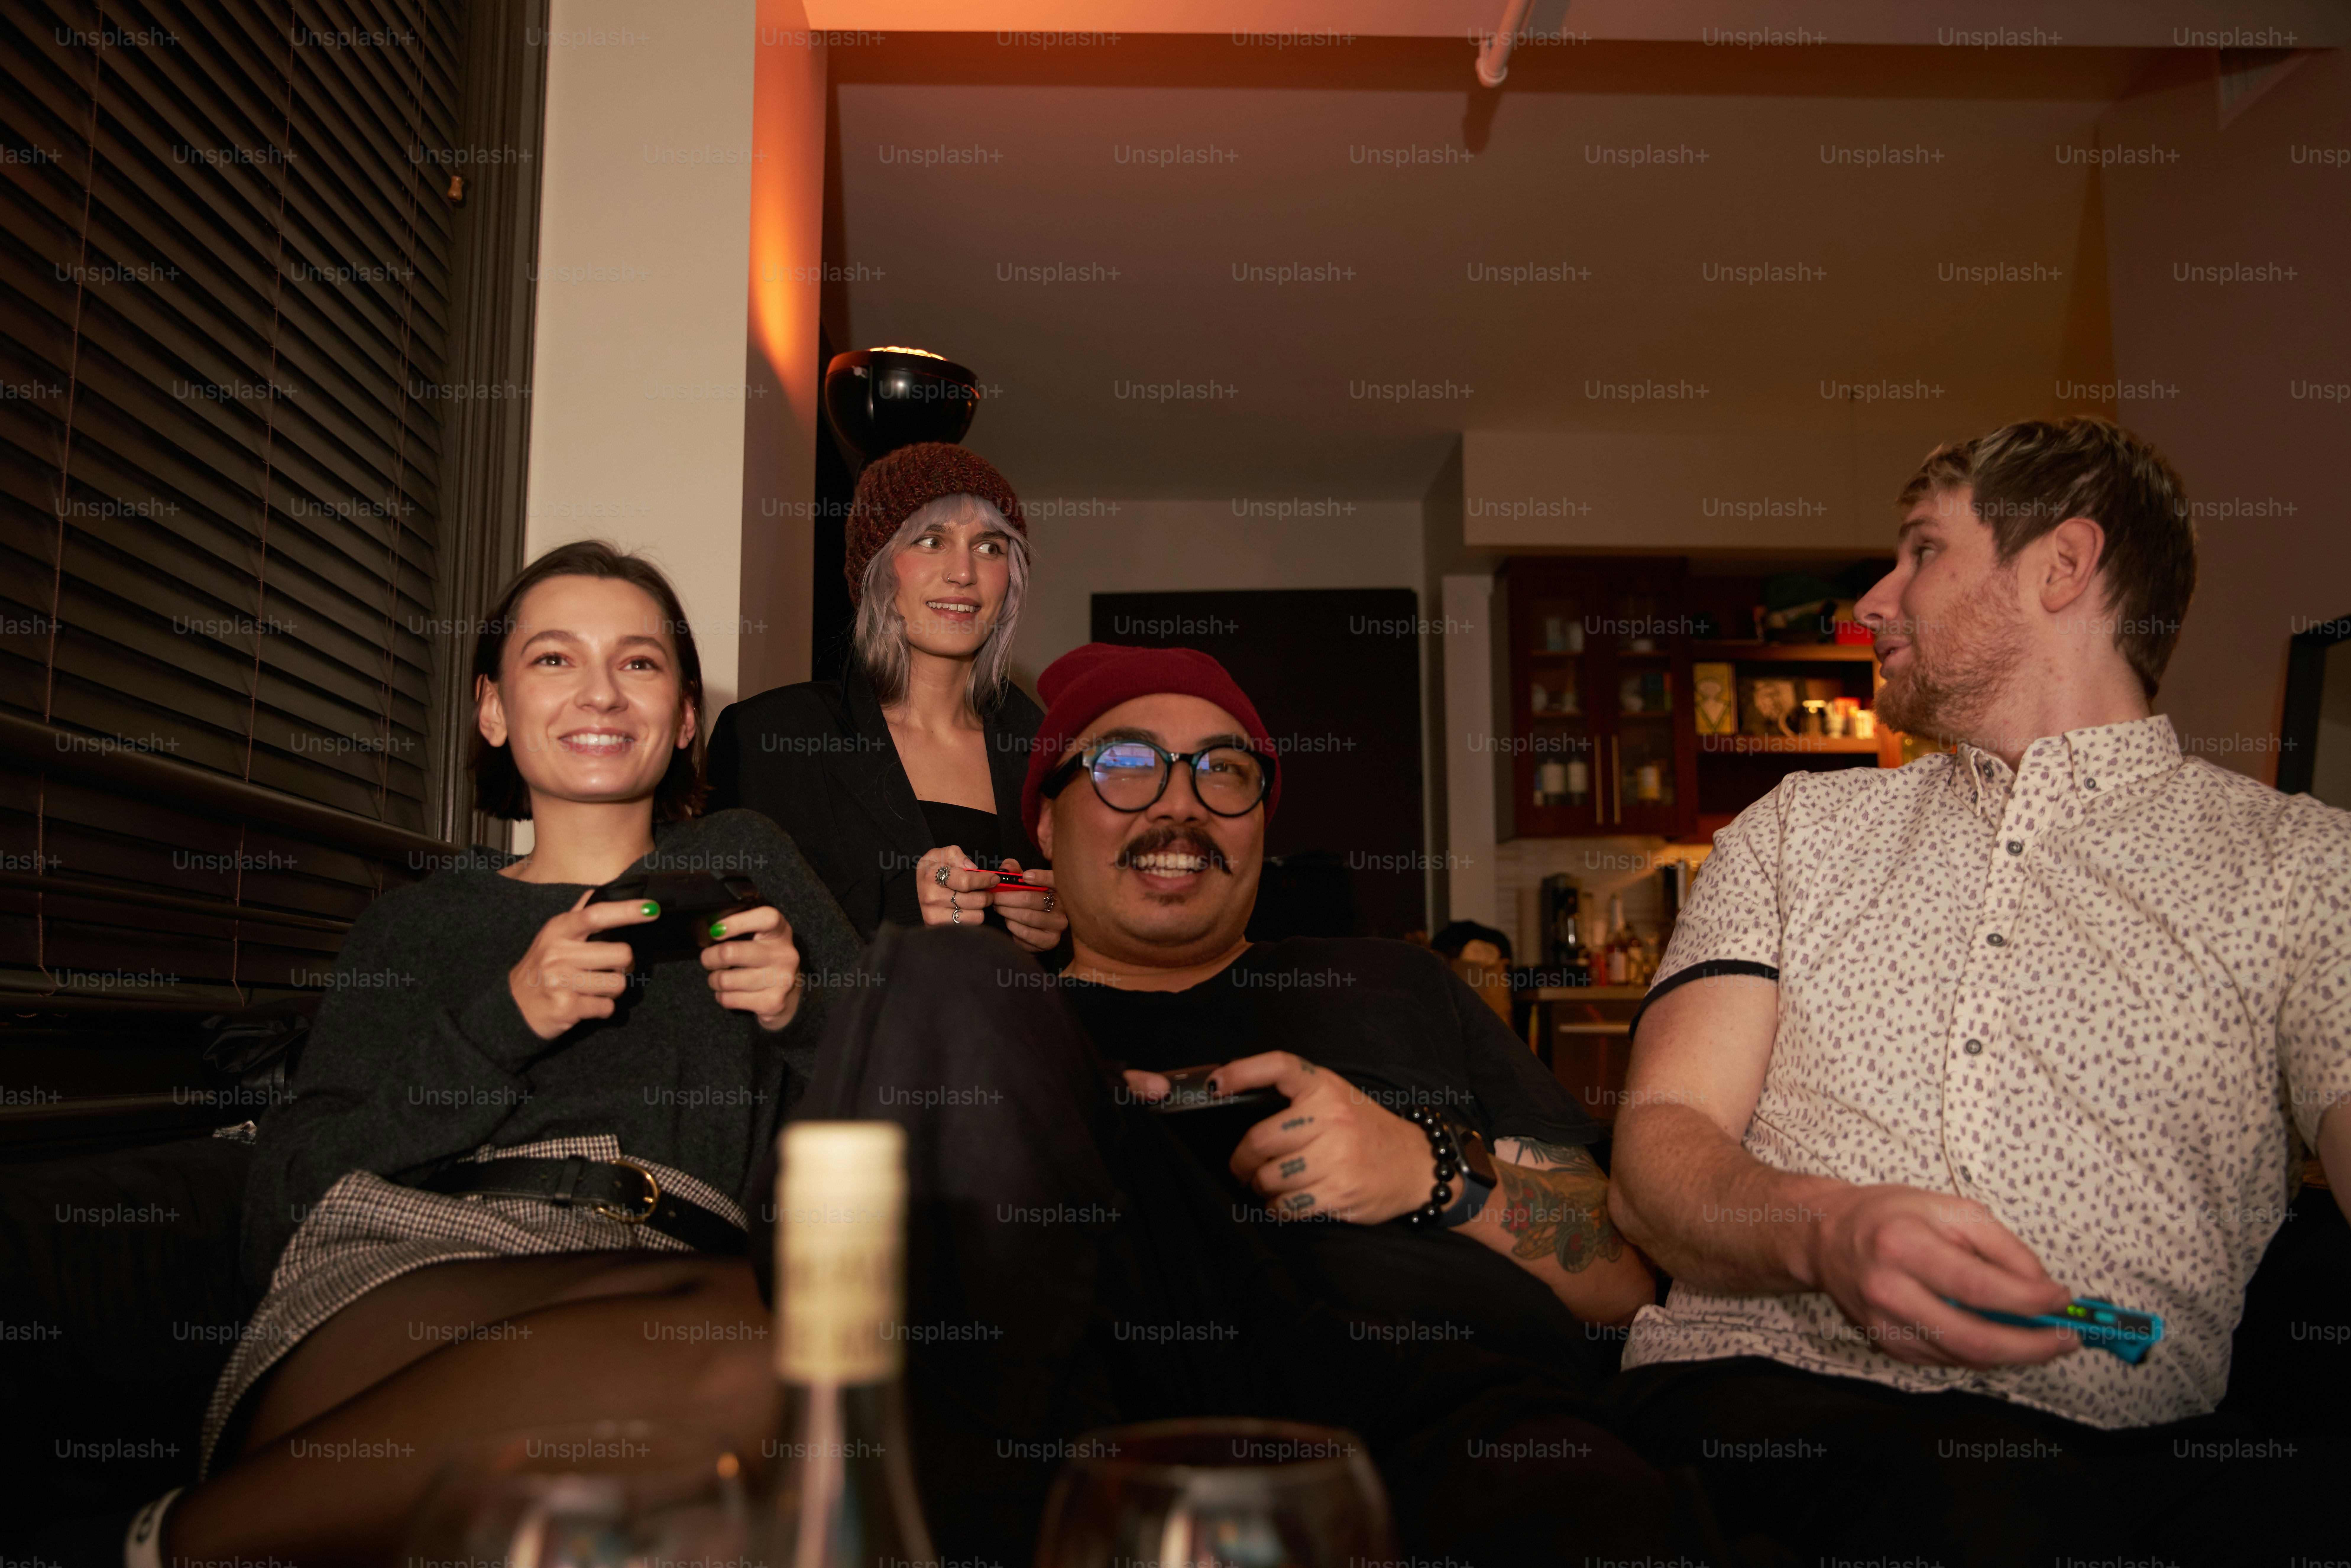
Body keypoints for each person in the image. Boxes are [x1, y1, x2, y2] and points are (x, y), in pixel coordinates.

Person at [749, 644, 1742, 1568]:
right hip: (1133, 1406)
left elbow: (1624, 1283)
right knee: (944, 978)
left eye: (1224, 772)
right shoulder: (1002, 1030)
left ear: (1262, 820)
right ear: (1045, 822)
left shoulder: (1399, 983)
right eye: (1126, 765)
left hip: (1452, 1408)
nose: (1180, 805)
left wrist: (1430, 1169)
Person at [1602, 418, 2351, 1564]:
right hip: (1755, 1401)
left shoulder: (2303, 866)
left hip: (2113, 1447)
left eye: (1920, 551)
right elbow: (1659, 1145)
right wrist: (1823, 1231)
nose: (1870, 603)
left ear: (2062, 565)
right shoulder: (1793, 830)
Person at [149, 542, 862, 1567]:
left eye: (639, 662)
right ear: (492, 710)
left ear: (685, 716)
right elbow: (286, 1196)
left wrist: (802, 1013)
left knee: (803, 1361)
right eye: (554, 659)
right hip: (409, 1284)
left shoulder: (746, 863)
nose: (601, 692)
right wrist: (506, 1019)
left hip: (671, 1287)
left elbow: (918, 1109)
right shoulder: (418, 923)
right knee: (779, 1359)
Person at [706, 442, 1065, 955]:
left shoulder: (1048, 754)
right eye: (931, 541)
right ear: (876, 570)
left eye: (990, 548)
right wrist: (898, 911)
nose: (964, 572)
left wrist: (1061, 923)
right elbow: (718, 936)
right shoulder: (769, 739)